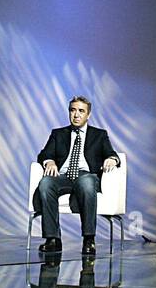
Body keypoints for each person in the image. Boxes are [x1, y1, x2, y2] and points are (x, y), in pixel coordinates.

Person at [34, 96, 119, 256]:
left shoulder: (99, 135)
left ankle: (88, 239)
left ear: (88, 115)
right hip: (63, 175)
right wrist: (49, 161)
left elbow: (112, 153)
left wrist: (111, 159)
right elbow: (44, 154)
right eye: (73, 110)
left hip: (86, 175)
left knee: (86, 182)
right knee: (46, 183)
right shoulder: (58, 134)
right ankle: (52, 239)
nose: (76, 115)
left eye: (81, 111)